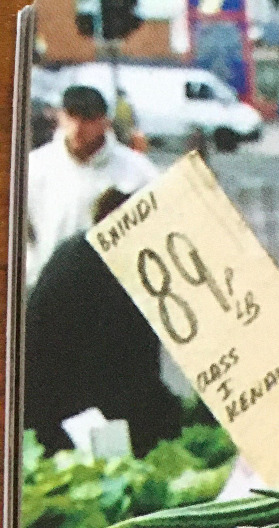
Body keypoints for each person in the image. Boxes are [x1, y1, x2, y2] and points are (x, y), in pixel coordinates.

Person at [25, 187, 184, 456]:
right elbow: (130, 377)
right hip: (72, 418)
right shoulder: (109, 274)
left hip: (44, 413)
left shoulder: (73, 253)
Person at [26, 85, 157, 287]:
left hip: (110, 291)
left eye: (88, 119)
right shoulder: (33, 167)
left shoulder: (138, 172)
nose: (78, 128)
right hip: (47, 289)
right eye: (72, 116)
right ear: (60, 117)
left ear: (105, 122)